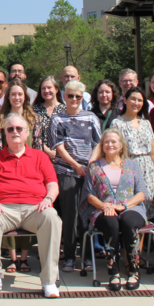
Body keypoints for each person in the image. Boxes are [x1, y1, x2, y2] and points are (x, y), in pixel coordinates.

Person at [0, 114, 62, 299]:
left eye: (19, 129)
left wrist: (48, 199)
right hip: (4, 209)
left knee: (52, 218)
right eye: (10, 129)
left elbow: (52, 185)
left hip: (35, 209)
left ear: (27, 134)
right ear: (5, 134)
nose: (14, 132)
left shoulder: (40, 157)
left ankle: (49, 280)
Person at [81, 128, 149, 291]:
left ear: (121, 146)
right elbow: (89, 195)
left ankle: (133, 271)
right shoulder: (94, 167)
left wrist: (123, 206)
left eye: (113, 142)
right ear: (102, 145)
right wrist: (104, 206)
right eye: (106, 142)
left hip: (131, 207)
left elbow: (142, 193)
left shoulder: (132, 164)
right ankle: (114, 273)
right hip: (103, 209)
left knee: (128, 222)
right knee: (111, 224)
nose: (109, 145)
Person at [51, 80, 102, 272]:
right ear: (64, 96)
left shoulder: (91, 118)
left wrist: (89, 165)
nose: (74, 99)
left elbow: (98, 143)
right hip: (66, 172)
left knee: (87, 215)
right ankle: (70, 257)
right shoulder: (57, 119)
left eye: (78, 96)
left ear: (83, 98)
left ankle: (87, 258)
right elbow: (59, 147)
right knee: (69, 215)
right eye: (70, 95)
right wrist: (75, 165)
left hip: (88, 173)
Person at [0, 80, 40, 271]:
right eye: (13, 94)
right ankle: (12, 258)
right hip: (6, 167)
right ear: (8, 97)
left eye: (20, 94)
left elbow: (39, 145)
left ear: (25, 97)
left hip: (31, 167)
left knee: (29, 205)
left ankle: (24, 258)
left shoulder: (34, 118)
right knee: (7, 207)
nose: (17, 98)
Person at [103, 88, 154, 222]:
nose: (136, 103)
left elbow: (153, 152)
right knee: (129, 207)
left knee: (147, 207)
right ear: (126, 101)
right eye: (133, 99)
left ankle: (144, 242)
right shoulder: (117, 123)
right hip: (128, 167)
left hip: (147, 169)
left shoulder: (146, 123)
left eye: (140, 100)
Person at [31, 75, 64, 162]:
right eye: (43, 88)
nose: (46, 91)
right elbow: (32, 134)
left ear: (56, 89)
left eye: (49, 88)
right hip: (41, 156)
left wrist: (59, 151)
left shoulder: (65, 110)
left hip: (63, 158)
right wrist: (47, 151)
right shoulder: (34, 110)